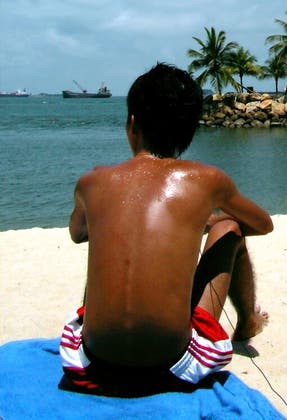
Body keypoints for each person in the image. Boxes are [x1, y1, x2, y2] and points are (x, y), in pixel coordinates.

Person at [59, 62, 273, 395]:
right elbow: (262, 224)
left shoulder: (92, 182)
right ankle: (247, 322)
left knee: (109, 236)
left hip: (91, 364)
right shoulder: (206, 179)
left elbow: (78, 233)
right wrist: (203, 221)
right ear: (189, 131)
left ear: (132, 124)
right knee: (230, 226)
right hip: (171, 366)